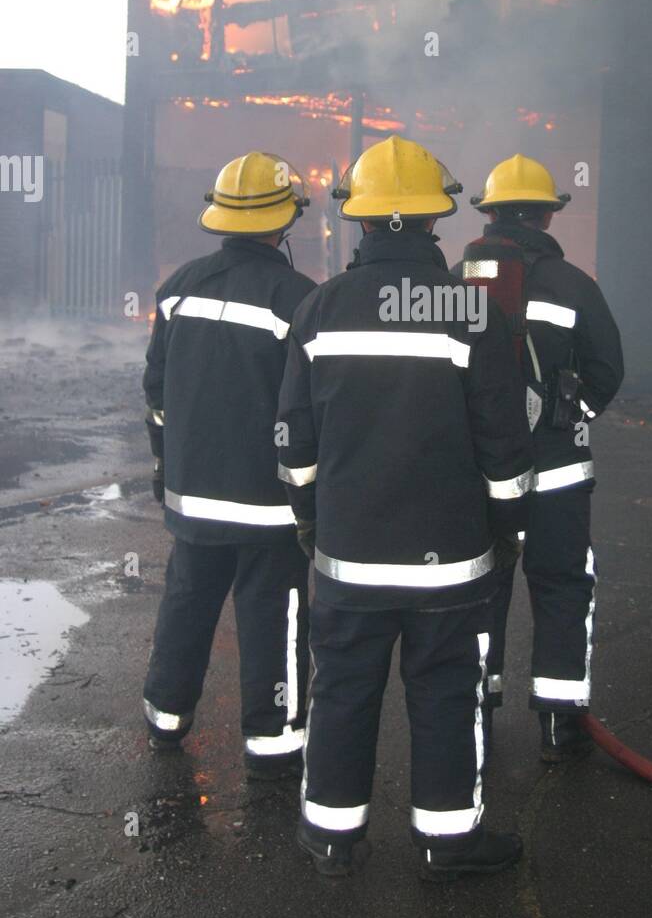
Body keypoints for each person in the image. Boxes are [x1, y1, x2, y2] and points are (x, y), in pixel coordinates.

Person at [277, 135, 534, 880]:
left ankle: (331, 837)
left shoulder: (319, 311)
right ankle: (448, 843)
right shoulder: (470, 313)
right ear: (433, 221)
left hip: (349, 560)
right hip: (449, 565)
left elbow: (295, 442)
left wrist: (309, 520)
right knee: (447, 694)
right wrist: (505, 529)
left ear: (358, 221)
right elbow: (503, 446)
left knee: (343, 690)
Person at [142, 152, 315, 779]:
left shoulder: (178, 287)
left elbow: (156, 392)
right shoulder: (299, 299)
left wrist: (168, 469)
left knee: (187, 602)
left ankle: (165, 716)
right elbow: (310, 407)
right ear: (285, 221)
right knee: (275, 614)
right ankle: (273, 745)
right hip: (269, 505)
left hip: (193, 498)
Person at [457, 154, 624, 761]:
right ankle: (559, 722)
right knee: (560, 585)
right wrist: (571, 417)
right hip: (559, 472)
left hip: (480, 475)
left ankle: (477, 710)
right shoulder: (577, 283)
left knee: (482, 590)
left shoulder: (461, 277)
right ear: (549, 217)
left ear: (492, 214)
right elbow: (607, 370)